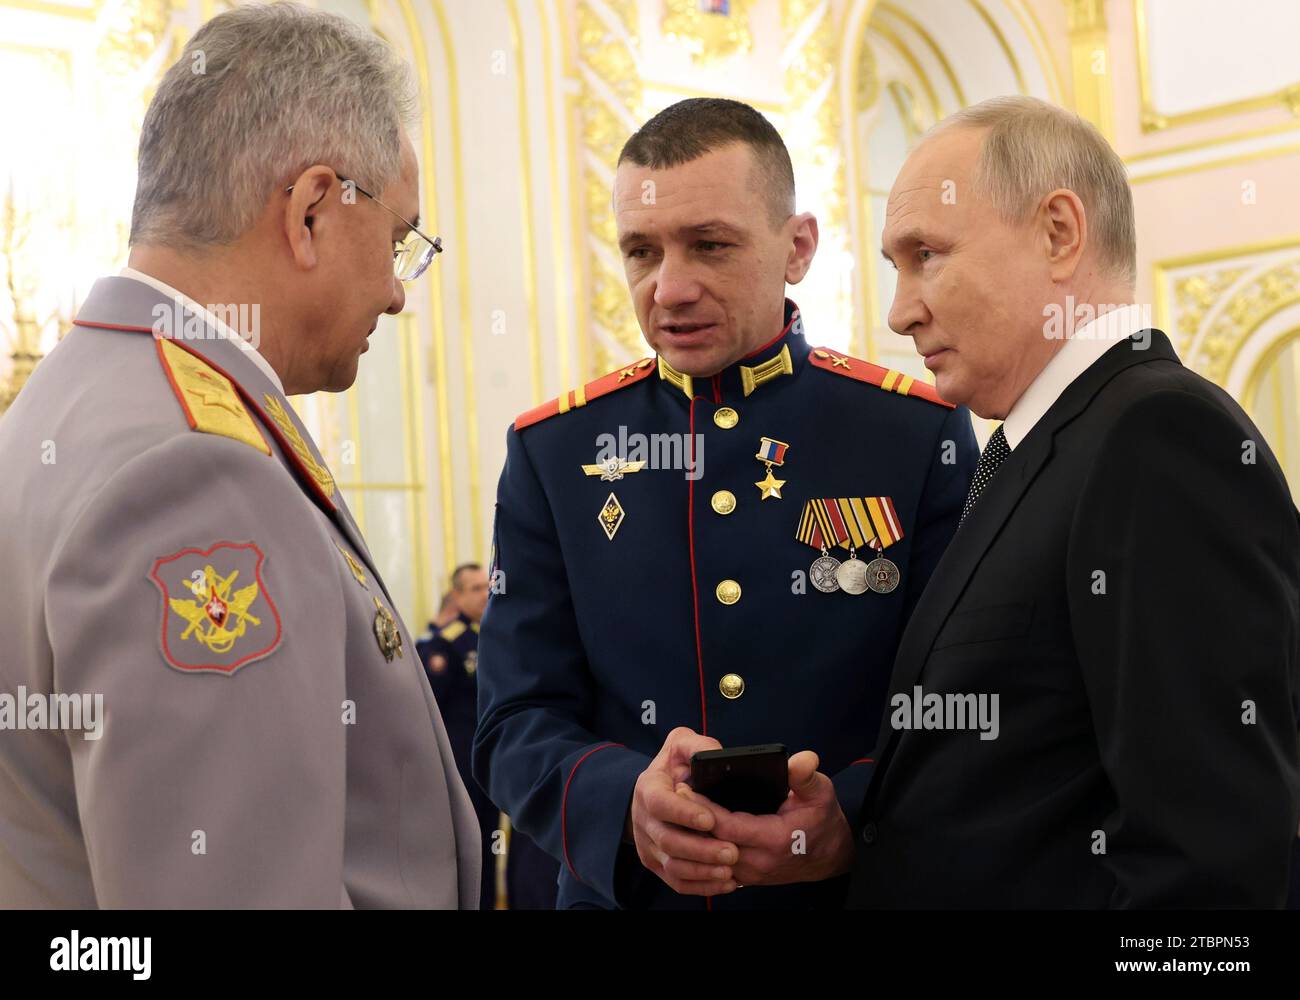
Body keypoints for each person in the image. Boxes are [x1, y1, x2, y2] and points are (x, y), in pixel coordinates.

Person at [0, 3, 479, 907]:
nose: (395, 293)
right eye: (398, 241)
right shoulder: (191, 469)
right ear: (308, 212)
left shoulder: (69, 401)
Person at [474, 98, 977, 909]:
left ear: (797, 247)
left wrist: (848, 816)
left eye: (709, 245)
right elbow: (514, 719)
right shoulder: (558, 452)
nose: (669, 288)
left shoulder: (912, 434)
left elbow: (963, 698)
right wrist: (624, 804)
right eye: (641, 252)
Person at [848, 96, 1300, 907]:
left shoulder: (1157, 438)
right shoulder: (1043, 445)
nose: (900, 311)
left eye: (927, 255)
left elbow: (1208, 862)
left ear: (1059, 232)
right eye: (895, 267)